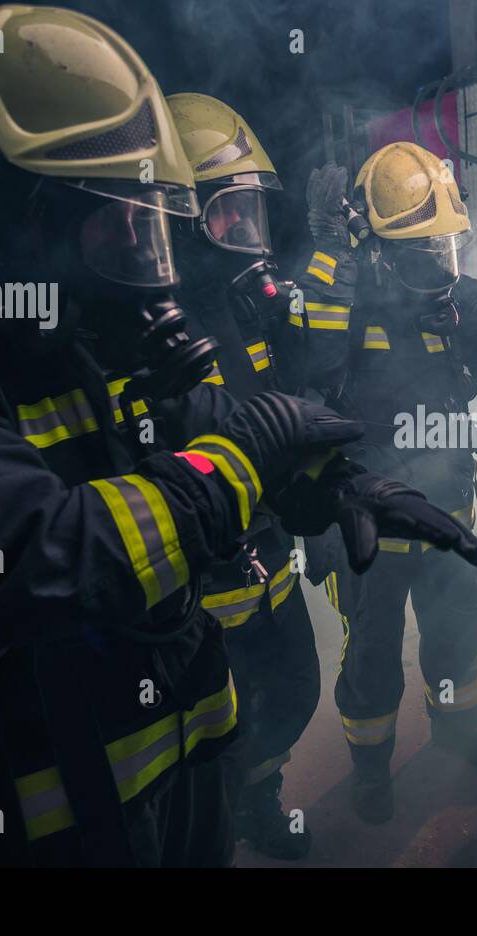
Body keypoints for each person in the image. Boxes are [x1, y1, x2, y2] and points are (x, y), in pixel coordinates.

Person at [0, 4, 477, 866]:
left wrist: (331, 479)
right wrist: (246, 456)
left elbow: (193, 424)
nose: (140, 261)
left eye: (147, 226)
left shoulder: (52, 327)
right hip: (33, 835)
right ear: (15, 212)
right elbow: (34, 558)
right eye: (113, 225)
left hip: (177, 785)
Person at [298, 142, 477, 822]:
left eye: (442, 248)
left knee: (457, 638)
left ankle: (461, 735)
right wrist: (326, 261)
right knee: (372, 657)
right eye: (418, 251)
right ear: (374, 248)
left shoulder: (455, 299)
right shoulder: (343, 299)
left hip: (447, 513)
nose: (437, 265)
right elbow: (309, 362)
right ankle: (371, 768)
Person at [168, 91, 320, 858]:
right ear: (177, 218)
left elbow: (280, 413)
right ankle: (230, 817)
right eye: (226, 213)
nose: (243, 231)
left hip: (271, 560)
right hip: (203, 592)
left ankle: (257, 793)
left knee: (295, 692)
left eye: (247, 211)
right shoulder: (149, 330)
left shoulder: (242, 309)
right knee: (212, 739)